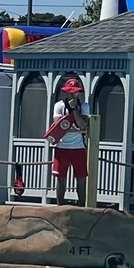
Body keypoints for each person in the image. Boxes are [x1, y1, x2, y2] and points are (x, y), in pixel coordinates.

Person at [48, 78, 89, 206]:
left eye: (74, 92)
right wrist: (75, 126)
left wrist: (75, 110)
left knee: (81, 178)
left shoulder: (84, 106)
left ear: (78, 93)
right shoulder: (59, 105)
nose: (72, 94)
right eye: (70, 92)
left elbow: (83, 125)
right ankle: (60, 206)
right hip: (62, 146)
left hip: (79, 147)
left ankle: (82, 206)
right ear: (66, 92)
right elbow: (58, 125)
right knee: (61, 178)